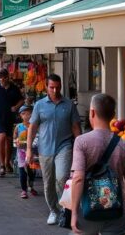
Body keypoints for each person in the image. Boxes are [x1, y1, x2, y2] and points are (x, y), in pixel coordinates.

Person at [71, 93, 125, 235]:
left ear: (92, 112)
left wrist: (74, 213)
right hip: (116, 213)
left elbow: (78, 178)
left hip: (88, 211)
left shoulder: (82, 142)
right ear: (113, 114)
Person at [26, 74, 82, 225]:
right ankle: (53, 210)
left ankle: (64, 209)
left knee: (62, 177)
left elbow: (76, 127)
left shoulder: (69, 104)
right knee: (48, 183)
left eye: (58, 87)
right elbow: (32, 128)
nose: (55, 90)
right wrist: (29, 150)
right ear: (46, 86)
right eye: (52, 87)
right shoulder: (39, 105)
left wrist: (80, 149)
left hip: (64, 146)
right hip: (45, 149)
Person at [0, 68, 24, 177]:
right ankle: (2, 165)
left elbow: (21, 100)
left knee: (9, 141)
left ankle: (7, 162)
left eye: (5, 78)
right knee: (1, 137)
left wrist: (16, 107)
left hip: (10, 117)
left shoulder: (14, 88)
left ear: (8, 77)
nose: (3, 80)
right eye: (1, 78)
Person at [15, 105, 39, 198]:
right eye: (24, 114)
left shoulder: (35, 126)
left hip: (33, 151)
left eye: (29, 114)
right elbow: (15, 138)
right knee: (22, 171)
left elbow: (38, 137)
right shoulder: (18, 127)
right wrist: (17, 141)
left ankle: (31, 186)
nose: (27, 116)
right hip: (21, 151)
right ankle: (23, 190)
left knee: (32, 171)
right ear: (20, 115)